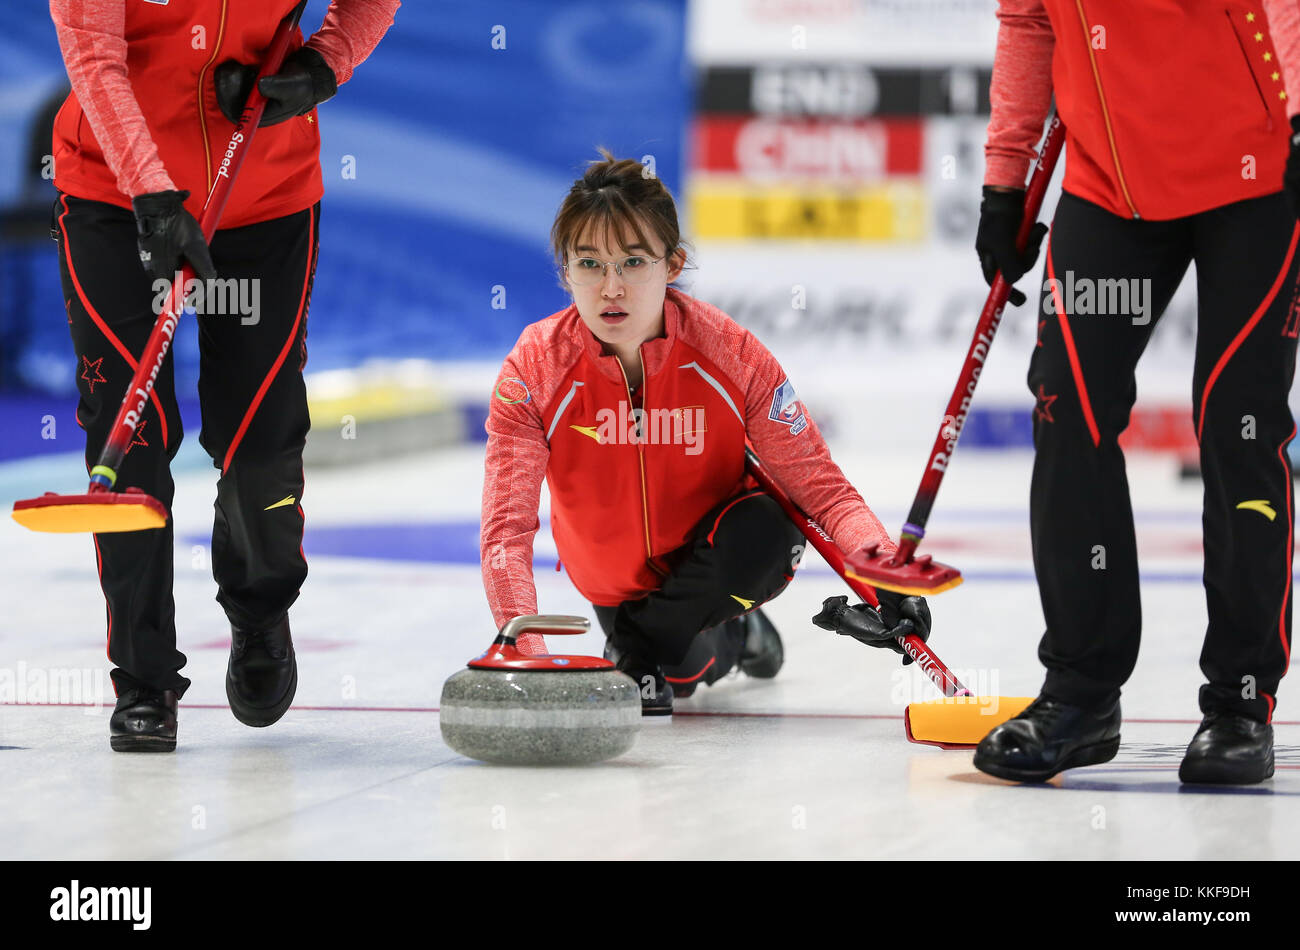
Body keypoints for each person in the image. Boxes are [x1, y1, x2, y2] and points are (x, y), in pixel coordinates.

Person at [49, 0, 400, 751]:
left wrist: (327, 63)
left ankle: (258, 609)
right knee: (129, 435)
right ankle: (142, 678)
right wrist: (150, 194)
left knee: (260, 432)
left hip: (263, 194)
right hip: (116, 196)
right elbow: (93, 57)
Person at [972, 0, 1300, 784]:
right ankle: (1082, 691)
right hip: (1109, 186)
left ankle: (1238, 702)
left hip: (1254, 177)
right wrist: (1003, 182)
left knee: (1240, 426)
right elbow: (1029, 20)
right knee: (1067, 407)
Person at [479, 152, 931, 715]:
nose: (611, 288)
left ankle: (648, 644)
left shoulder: (730, 352)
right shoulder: (534, 369)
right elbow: (506, 532)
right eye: (589, 264)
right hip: (613, 585)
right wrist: (529, 655)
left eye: (634, 262)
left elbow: (821, 489)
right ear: (564, 272)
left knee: (770, 528)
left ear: (673, 265)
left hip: (714, 560)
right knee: (684, 671)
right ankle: (737, 637)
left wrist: (887, 574)